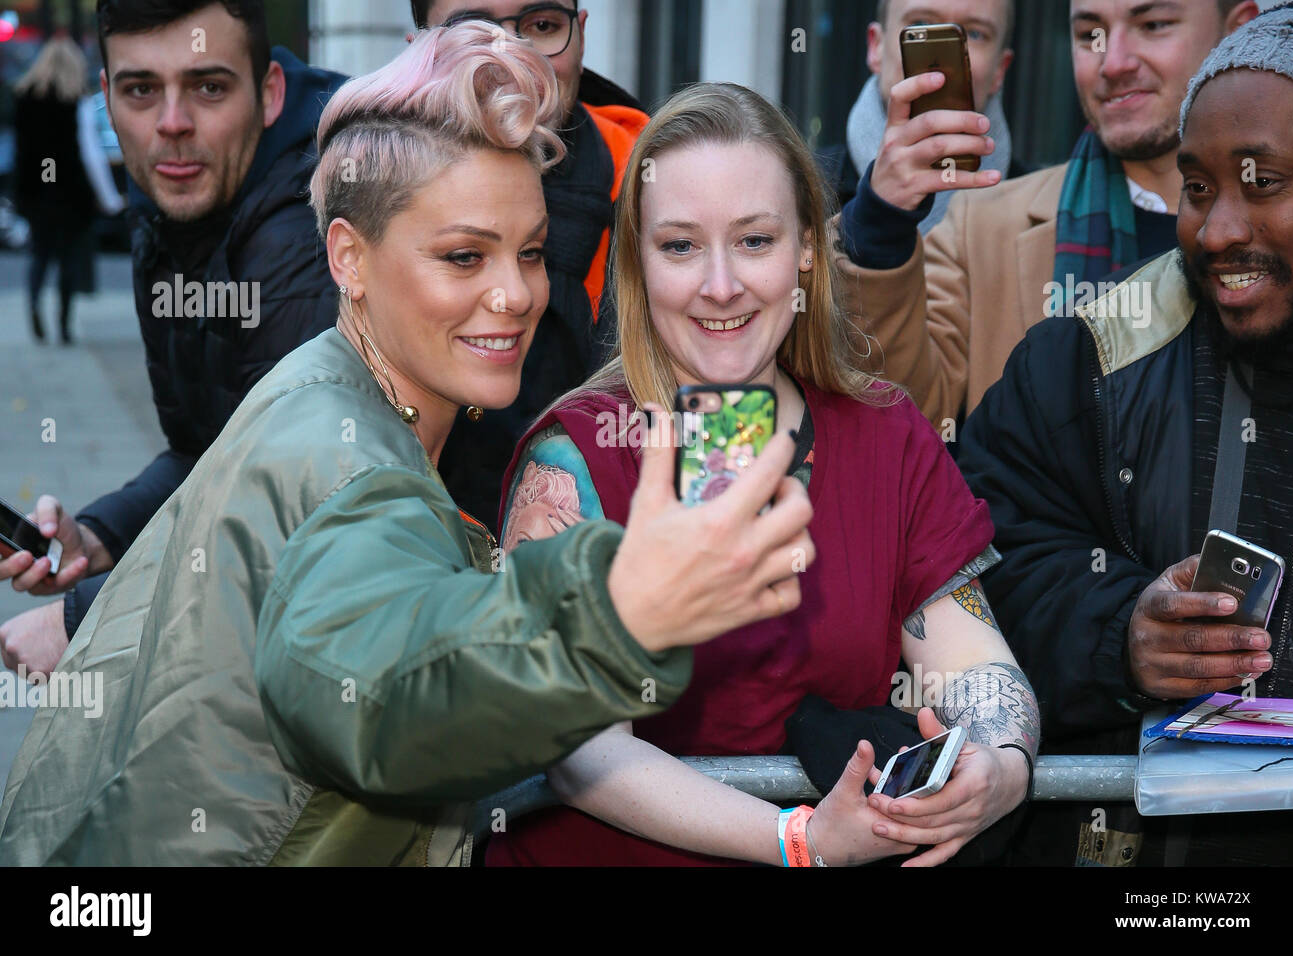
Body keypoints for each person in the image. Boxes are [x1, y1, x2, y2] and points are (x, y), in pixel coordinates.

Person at [0, 24, 815, 866]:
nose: (513, 294)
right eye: (463, 257)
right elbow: (389, 700)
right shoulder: (349, 465)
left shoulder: (326, 387)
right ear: (349, 257)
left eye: (530, 252)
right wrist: (615, 614)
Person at [486, 83, 1040, 868]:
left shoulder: (886, 432)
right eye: (679, 246)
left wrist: (997, 771)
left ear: (808, 248)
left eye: (754, 241)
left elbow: (975, 665)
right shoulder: (575, 455)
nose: (721, 285)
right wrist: (800, 840)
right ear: (638, 263)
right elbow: (573, 746)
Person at [957, 2, 1293, 865]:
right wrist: (1121, 634)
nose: (1219, 228)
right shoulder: (1086, 358)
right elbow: (977, 571)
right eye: (1196, 187)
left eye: (1262, 182)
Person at [0, 0, 345, 678]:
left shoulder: (304, 232)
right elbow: (210, 453)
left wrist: (86, 617)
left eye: (208, 86)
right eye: (139, 90)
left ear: (270, 92)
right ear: (105, 96)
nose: (171, 124)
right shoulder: (175, 202)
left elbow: (305, 514)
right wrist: (98, 534)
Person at [835, 0, 1258, 433]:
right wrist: (880, 222)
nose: (1112, 63)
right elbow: (899, 416)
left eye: (1153, 25)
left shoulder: (1283, 229)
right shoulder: (980, 226)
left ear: (1237, 31)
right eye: (1088, 34)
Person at [411, 0, 649, 525]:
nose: (513, 55)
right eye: (473, 29)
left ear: (580, 35)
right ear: (417, 53)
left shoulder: (665, 199)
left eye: (542, 26)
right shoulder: (364, 207)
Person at [819, 0, 1020, 229]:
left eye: (975, 34)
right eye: (921, 24)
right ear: (876, 47)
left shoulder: (1040, 206)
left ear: (1000, 70)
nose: (941, 61)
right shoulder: (803, 187)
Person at [13, 36, 125, 345]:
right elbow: (90, 154)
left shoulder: (24, 100)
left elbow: (25, 153)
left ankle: (34, 303)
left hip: (36, 193)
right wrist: (109, 199)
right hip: (70, 195)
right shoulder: (77, 103)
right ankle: (63, 326)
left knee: (39, 254)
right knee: (67, 260)